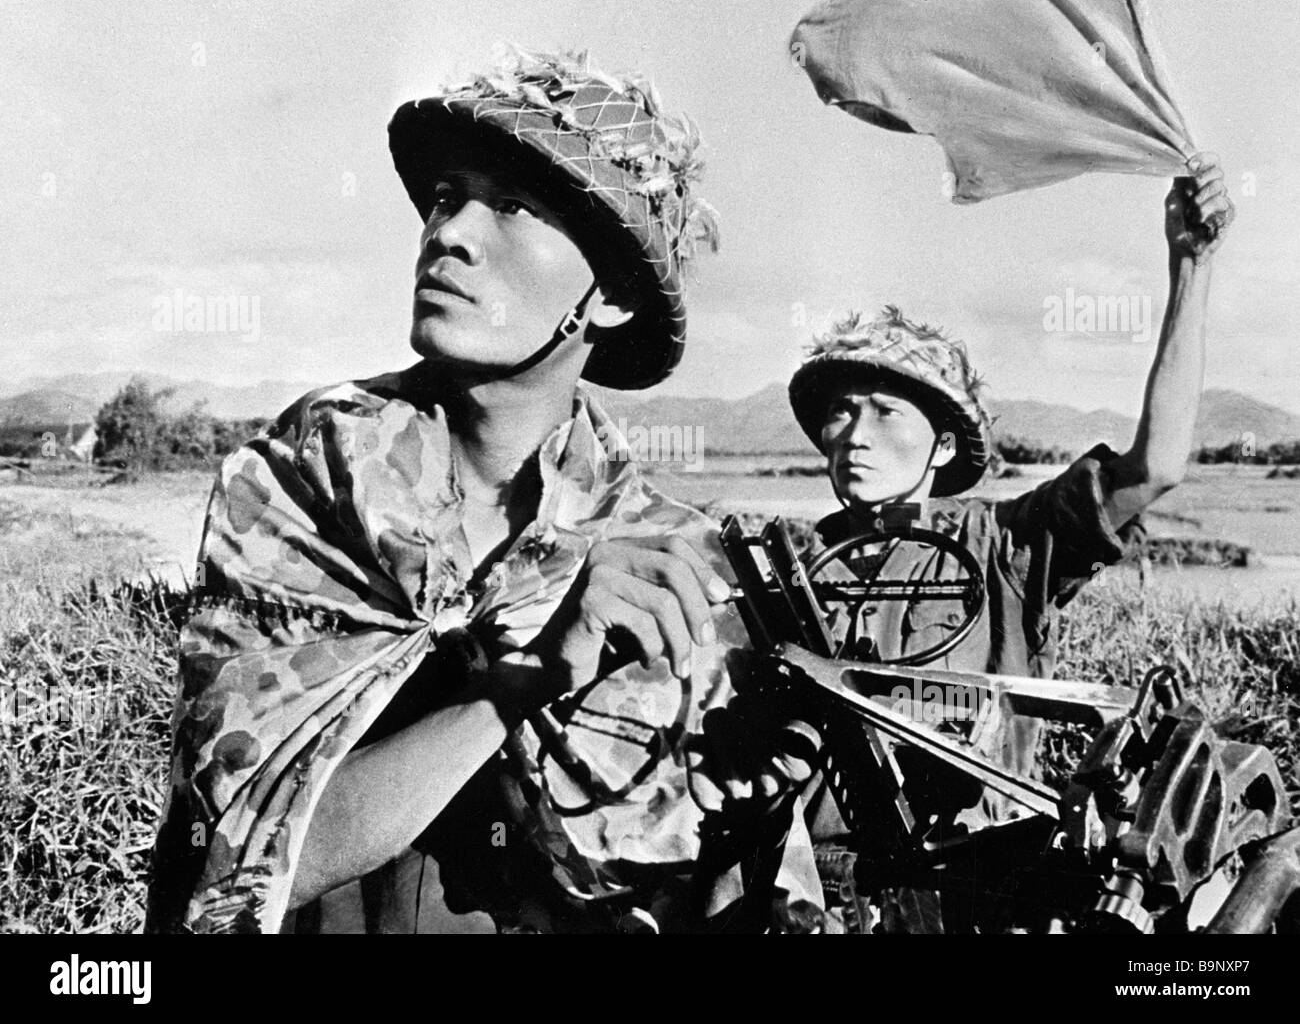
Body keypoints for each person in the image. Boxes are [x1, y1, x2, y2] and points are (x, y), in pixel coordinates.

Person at [144, 49, 819, 934]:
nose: (450, 231)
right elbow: (243, 859)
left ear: (611, 294)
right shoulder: (306, 482)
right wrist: (524, 682)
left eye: (510, 204)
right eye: (446, 196)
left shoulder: (674, 571)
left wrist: (756, 807)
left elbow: (741, 898)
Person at [783, 155, 1235, 932]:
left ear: (942, 447)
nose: (854, 434)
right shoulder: (785, 563)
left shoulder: (1004, 546)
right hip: (806, 889)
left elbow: (1156, 465)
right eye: (840, 411)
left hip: (973, 889)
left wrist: (1188, 265)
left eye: (887, 411)